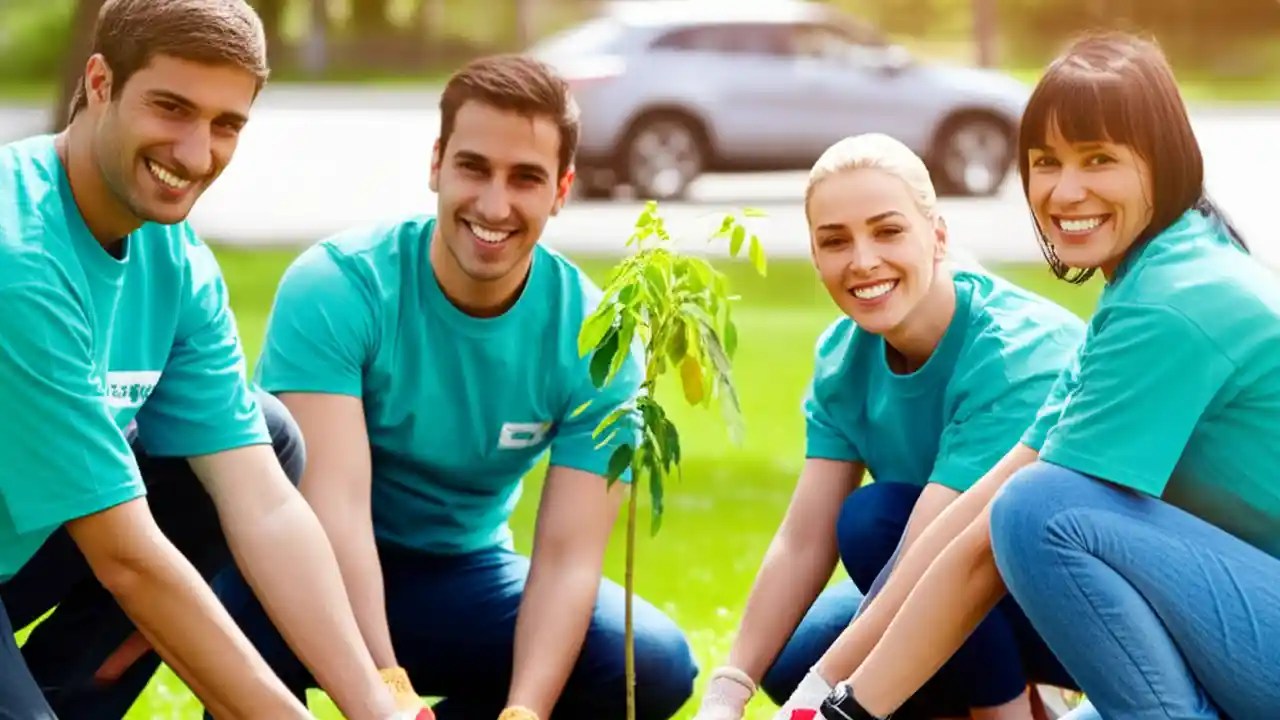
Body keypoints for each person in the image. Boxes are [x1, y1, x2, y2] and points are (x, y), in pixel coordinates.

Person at [799, 32, 1280, 720]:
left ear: (1165, 162)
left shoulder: (1173, 303)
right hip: (1250, 614)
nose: (1065, 189)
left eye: (1099, 160)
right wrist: (819, 691)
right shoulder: (1147, 282)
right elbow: (981, 499)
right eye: (1046, 161)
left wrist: (851, 712)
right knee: (1024, 497)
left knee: (1038, 509)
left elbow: (1003, 530)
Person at [213, 53, 698, 720]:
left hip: (460, 576)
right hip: (309, 568)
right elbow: (336, 514)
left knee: (653, 660)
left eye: (525, 179)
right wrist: (387, 692)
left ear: (560, 190)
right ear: (437, 163)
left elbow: (565, 563)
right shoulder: (337, 287)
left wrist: (525, 712)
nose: (494, 205)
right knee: (239, 602)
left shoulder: (596, 340)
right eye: (474, 168)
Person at [0, 1, 430, 719]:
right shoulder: (21, 259)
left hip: (19, 549)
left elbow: (261, 502)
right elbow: (128, 560)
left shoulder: (173, 258)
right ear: (100, 82)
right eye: (171, 108)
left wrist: (377, 705)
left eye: (226, 125)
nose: (196, 155)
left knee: (267, 435)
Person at [690, 133, 1085, 720]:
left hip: (1074, 602)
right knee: (789, 651)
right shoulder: (843, 358)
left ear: (939, 237)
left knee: (876, 522)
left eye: (888, 231)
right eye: (835, 241)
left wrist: (813, 702)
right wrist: (726, 694)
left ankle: (1010, 711)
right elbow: (804, 539)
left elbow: (934, 550)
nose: (863, 260)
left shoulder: (1011, 352)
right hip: (951, 582)